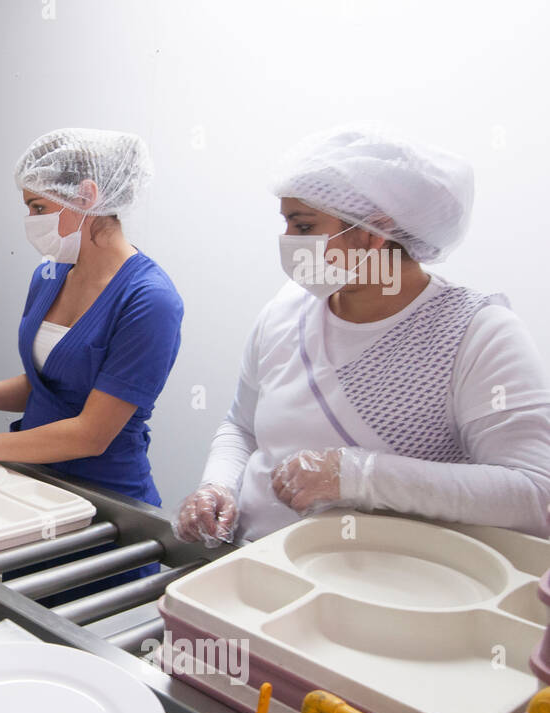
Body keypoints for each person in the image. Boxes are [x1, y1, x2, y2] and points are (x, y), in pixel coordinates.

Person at [174, 124, 550, 547]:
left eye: (302, 226)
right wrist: (217, 486)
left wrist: (357, 475)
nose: (286, 242)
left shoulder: (476, 334)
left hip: (378, 590)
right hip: (250, 566)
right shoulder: (286, 310)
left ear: (373, 233)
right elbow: (240, 427)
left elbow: (535, 495)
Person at [0, 129, 184, 508]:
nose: (29, 221)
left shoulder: (150, 301)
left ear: (86, 197)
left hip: (103, 499)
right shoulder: (50, 276)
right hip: (35, 481)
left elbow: (91, 434)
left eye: (38, 208)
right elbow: (49, 387)